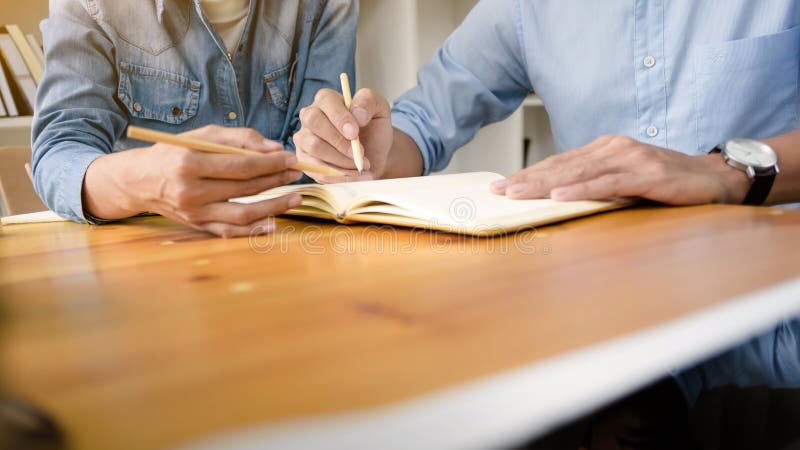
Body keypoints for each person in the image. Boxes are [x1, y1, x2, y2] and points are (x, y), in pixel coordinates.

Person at [295, 0, 800, 436]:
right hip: (593, 335)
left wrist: (728, 170)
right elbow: (423, 123)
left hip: (770, 326)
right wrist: (370, 152)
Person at [32, 0, 357, 237]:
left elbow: (320, 152)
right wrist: (145, 181)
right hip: (150, 255)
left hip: (286, 242)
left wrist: (339, 154)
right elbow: (58, 155)